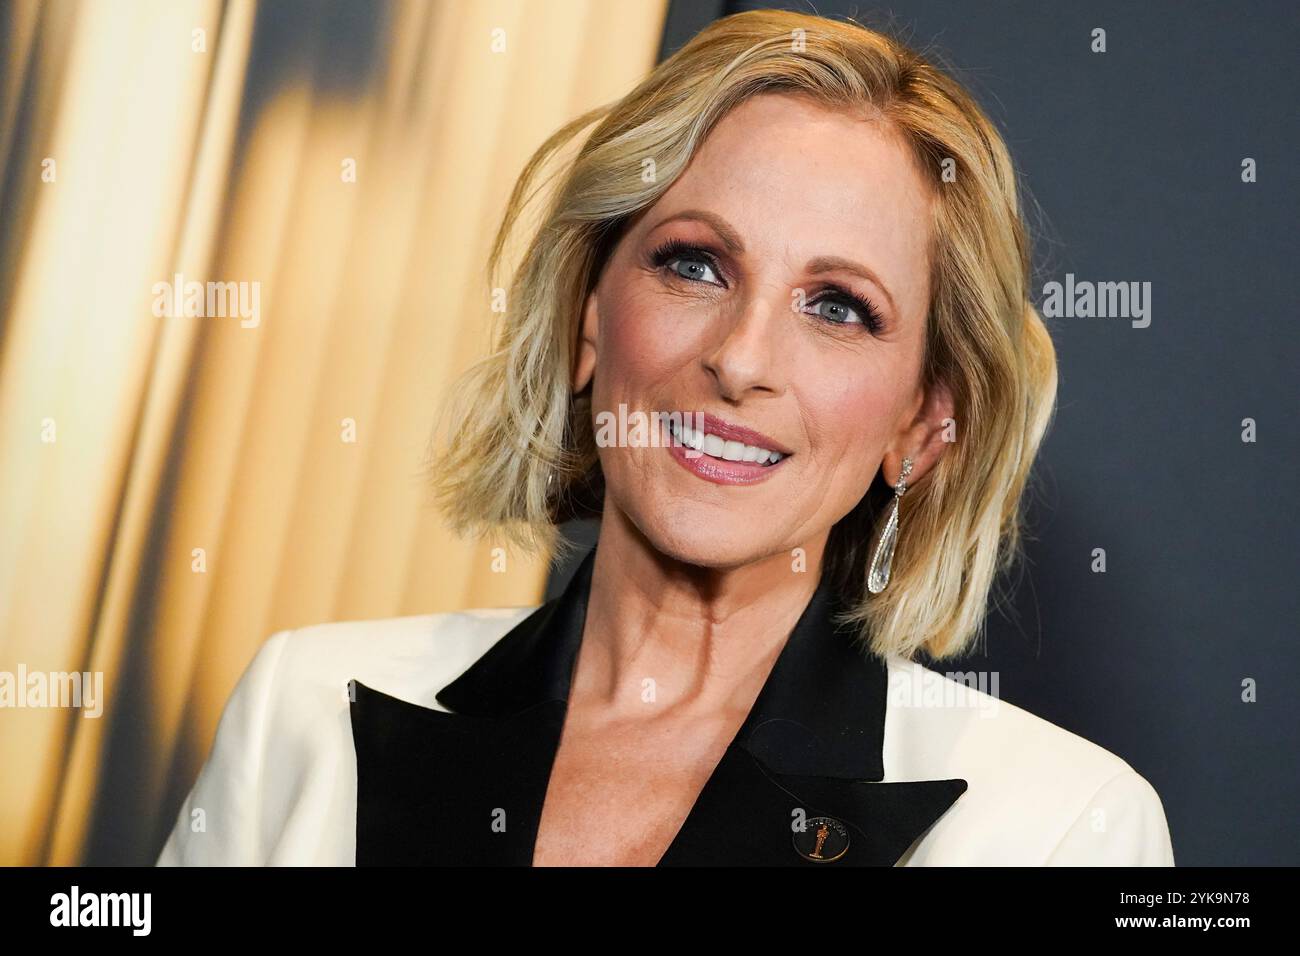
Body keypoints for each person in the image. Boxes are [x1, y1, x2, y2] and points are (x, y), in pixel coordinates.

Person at [157, 9, 1175, 867]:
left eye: (837, 306)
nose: (739, 358)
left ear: (921, 422)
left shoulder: (1058, 825)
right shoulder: (300, 712)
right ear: (590, 316)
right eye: (694, 265)